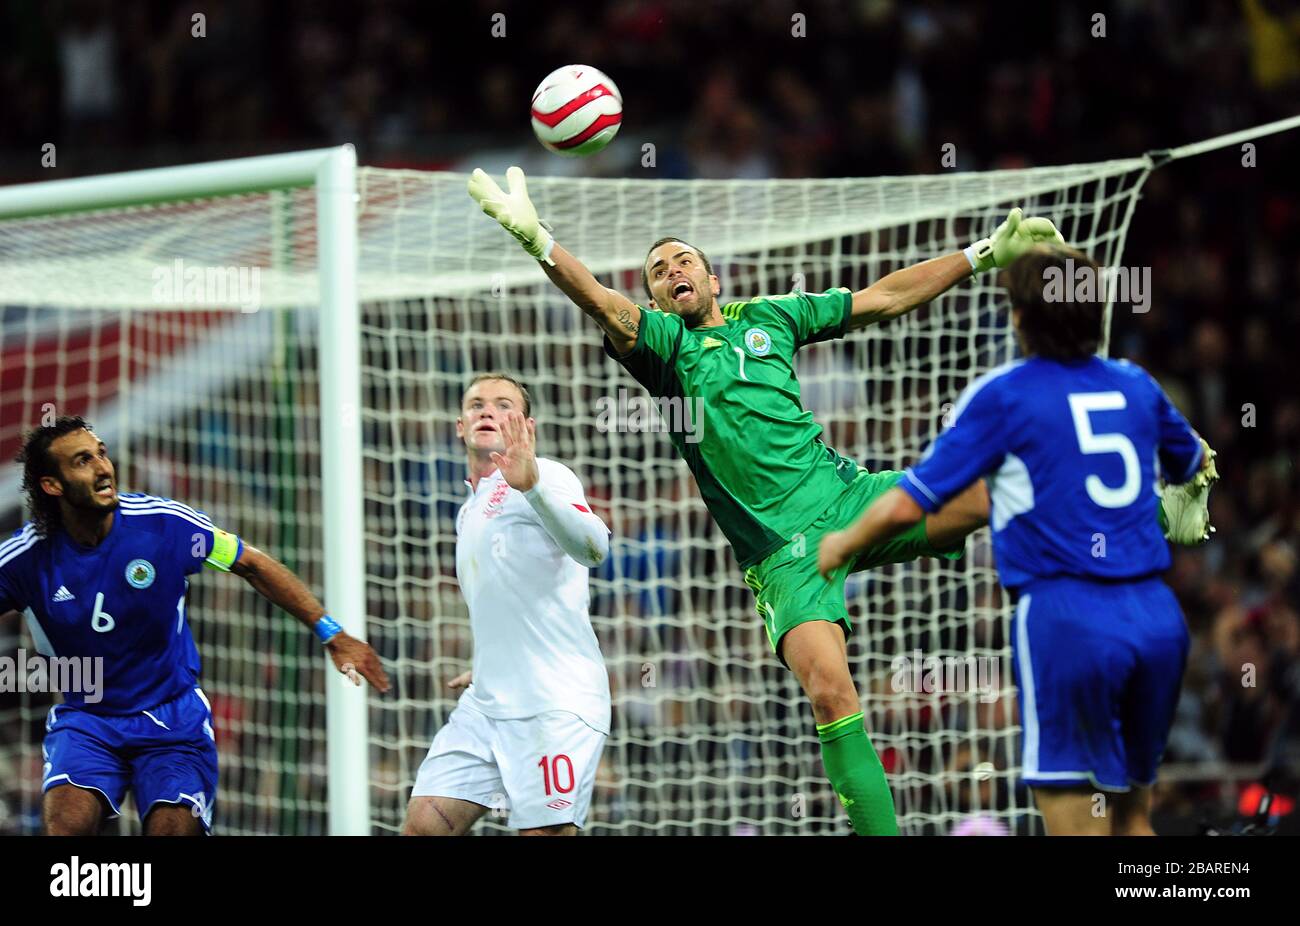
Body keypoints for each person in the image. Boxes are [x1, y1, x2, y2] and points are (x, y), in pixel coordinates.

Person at [467, 165, 1064, 834]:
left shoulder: (775, 318)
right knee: (831, 691)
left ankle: (1157, 511)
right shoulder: (666, 348)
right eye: (658, 271)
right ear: (659, 300)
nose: (670, 270)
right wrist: (539, 242)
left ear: (714, 279)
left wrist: (982, 255)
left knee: (1001, 490)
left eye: (682, 259)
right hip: (784, 559)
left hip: (850, 497)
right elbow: (604, 303)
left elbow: (884, 298)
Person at [817, 244, 1218, 835]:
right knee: (1133, 822)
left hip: (1068, 618)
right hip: (1157, 620)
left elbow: (912, 500)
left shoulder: (1004, 394)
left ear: (1020, 317)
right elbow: (1193, 463)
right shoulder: (1135, 384)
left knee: (1074, 821)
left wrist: (843, 543)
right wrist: (1183, 505)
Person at [0, 416, 388, 835]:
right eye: (82, 461)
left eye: (101, 454)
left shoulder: (166, 526)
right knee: (66, 827)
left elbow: (250, 562)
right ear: (52, 485)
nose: (102, 468)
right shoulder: (26, 559)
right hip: (87, 720)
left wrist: (331, 632)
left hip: (173, 720)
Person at [403, 373, 611, 835]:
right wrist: (494, 659)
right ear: (460, 425)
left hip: (554, 702)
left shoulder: (547, 475)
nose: (487, 412)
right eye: (476, 405)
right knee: (423, 826)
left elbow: (595, 549)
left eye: (502, 405)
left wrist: (532, 485)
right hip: (488, 703)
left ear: (526, 424)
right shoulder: (469, 507)